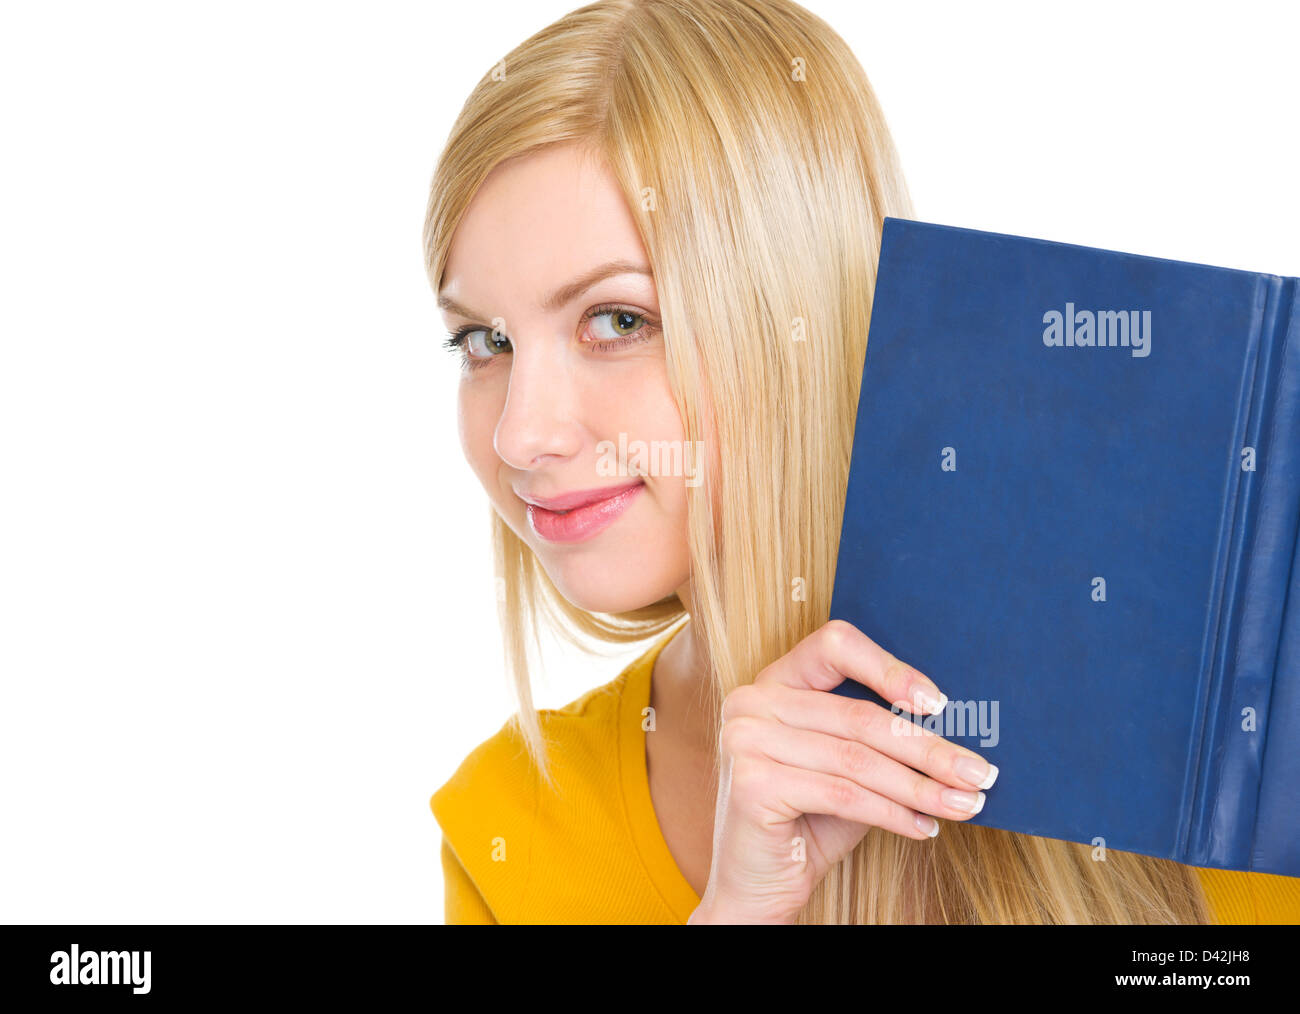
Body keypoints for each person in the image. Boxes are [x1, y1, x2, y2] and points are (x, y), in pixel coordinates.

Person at [423, 0, 1300, 923]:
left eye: (619, 321)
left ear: (797, 315)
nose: (522, 435)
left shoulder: (1200, 693)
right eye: (483, 341)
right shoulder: (509, 831)